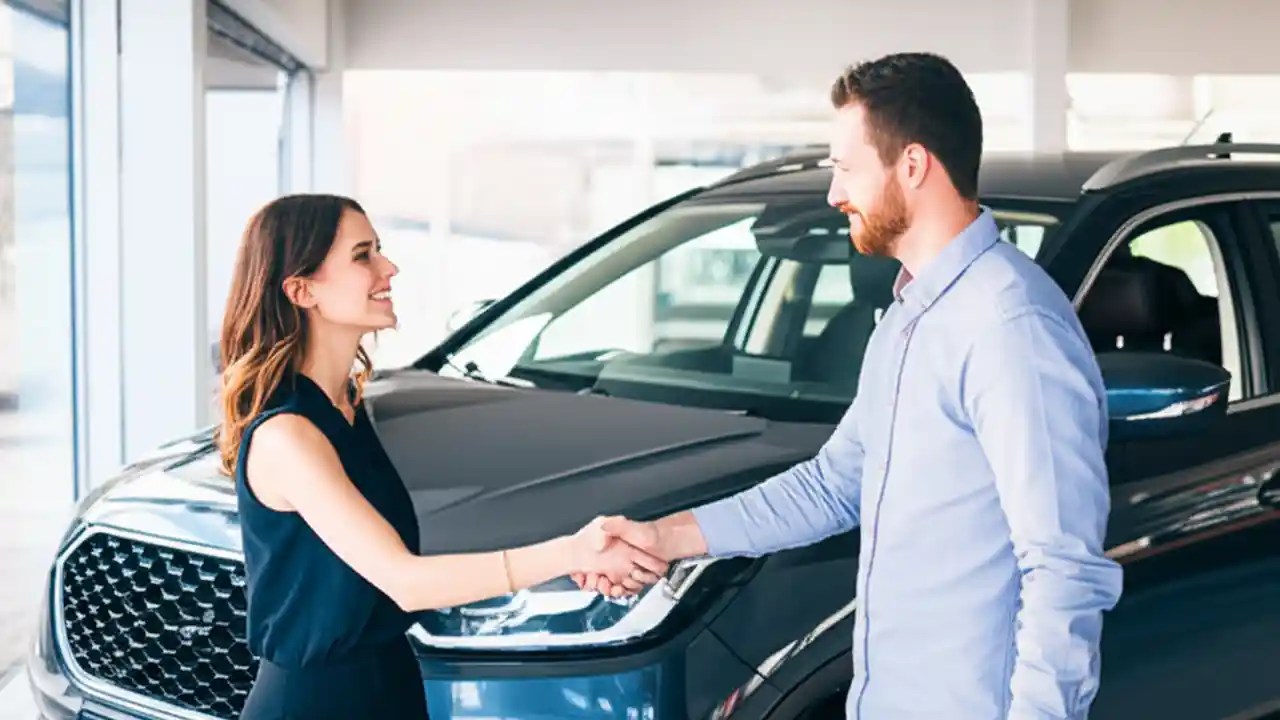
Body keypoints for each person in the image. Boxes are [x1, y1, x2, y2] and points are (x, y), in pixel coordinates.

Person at [575, 53, 1124, 719]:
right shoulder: (906, 320)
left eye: (846, 168)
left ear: (913, 166)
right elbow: (831, 486)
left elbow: (1063, 568)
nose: (835, 194)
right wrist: (665, 538)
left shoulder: (1010, 326)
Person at [216, 194, 668, 720]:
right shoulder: (289, 435)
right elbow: (406, 582)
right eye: (363, 255)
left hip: (386, 684)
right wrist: (573, 553)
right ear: (301, 289)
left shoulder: (346, 406)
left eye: (379, 250)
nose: (389, 268)